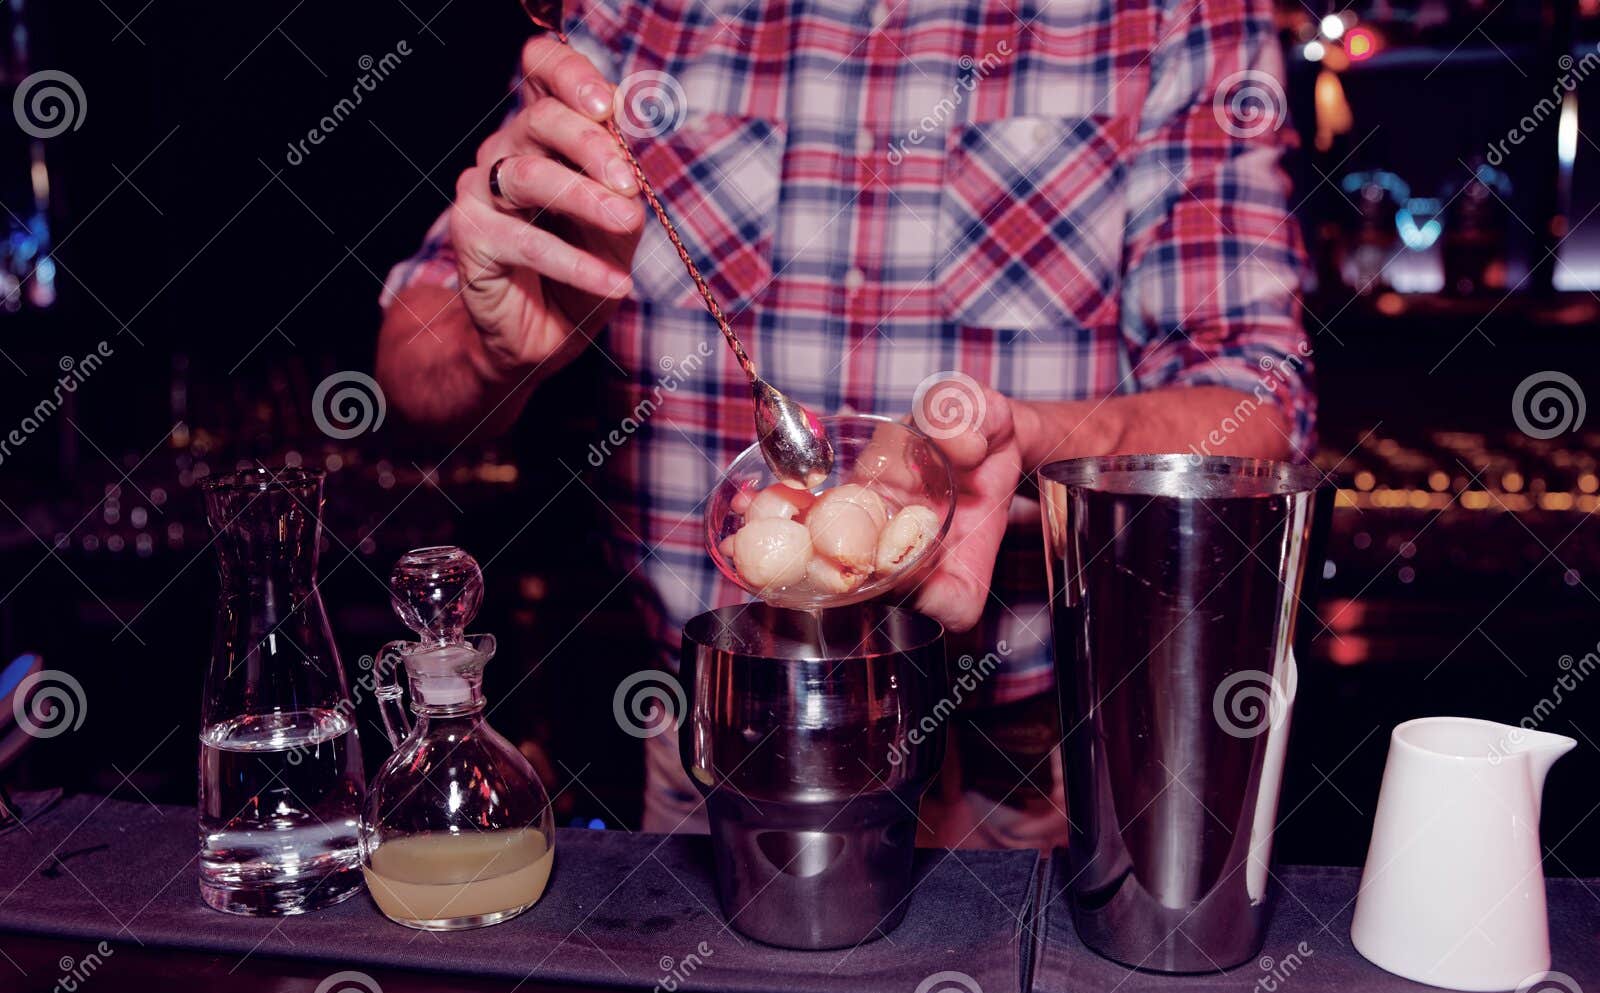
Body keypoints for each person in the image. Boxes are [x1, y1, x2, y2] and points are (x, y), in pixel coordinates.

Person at [377, 0, 1313, 847]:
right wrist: (491, 348)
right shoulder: (636, 17)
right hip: (712, 751)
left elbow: (1257, 405)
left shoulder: (1175, 15)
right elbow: (409, 373)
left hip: (1022, 773)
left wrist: (1033, 439)